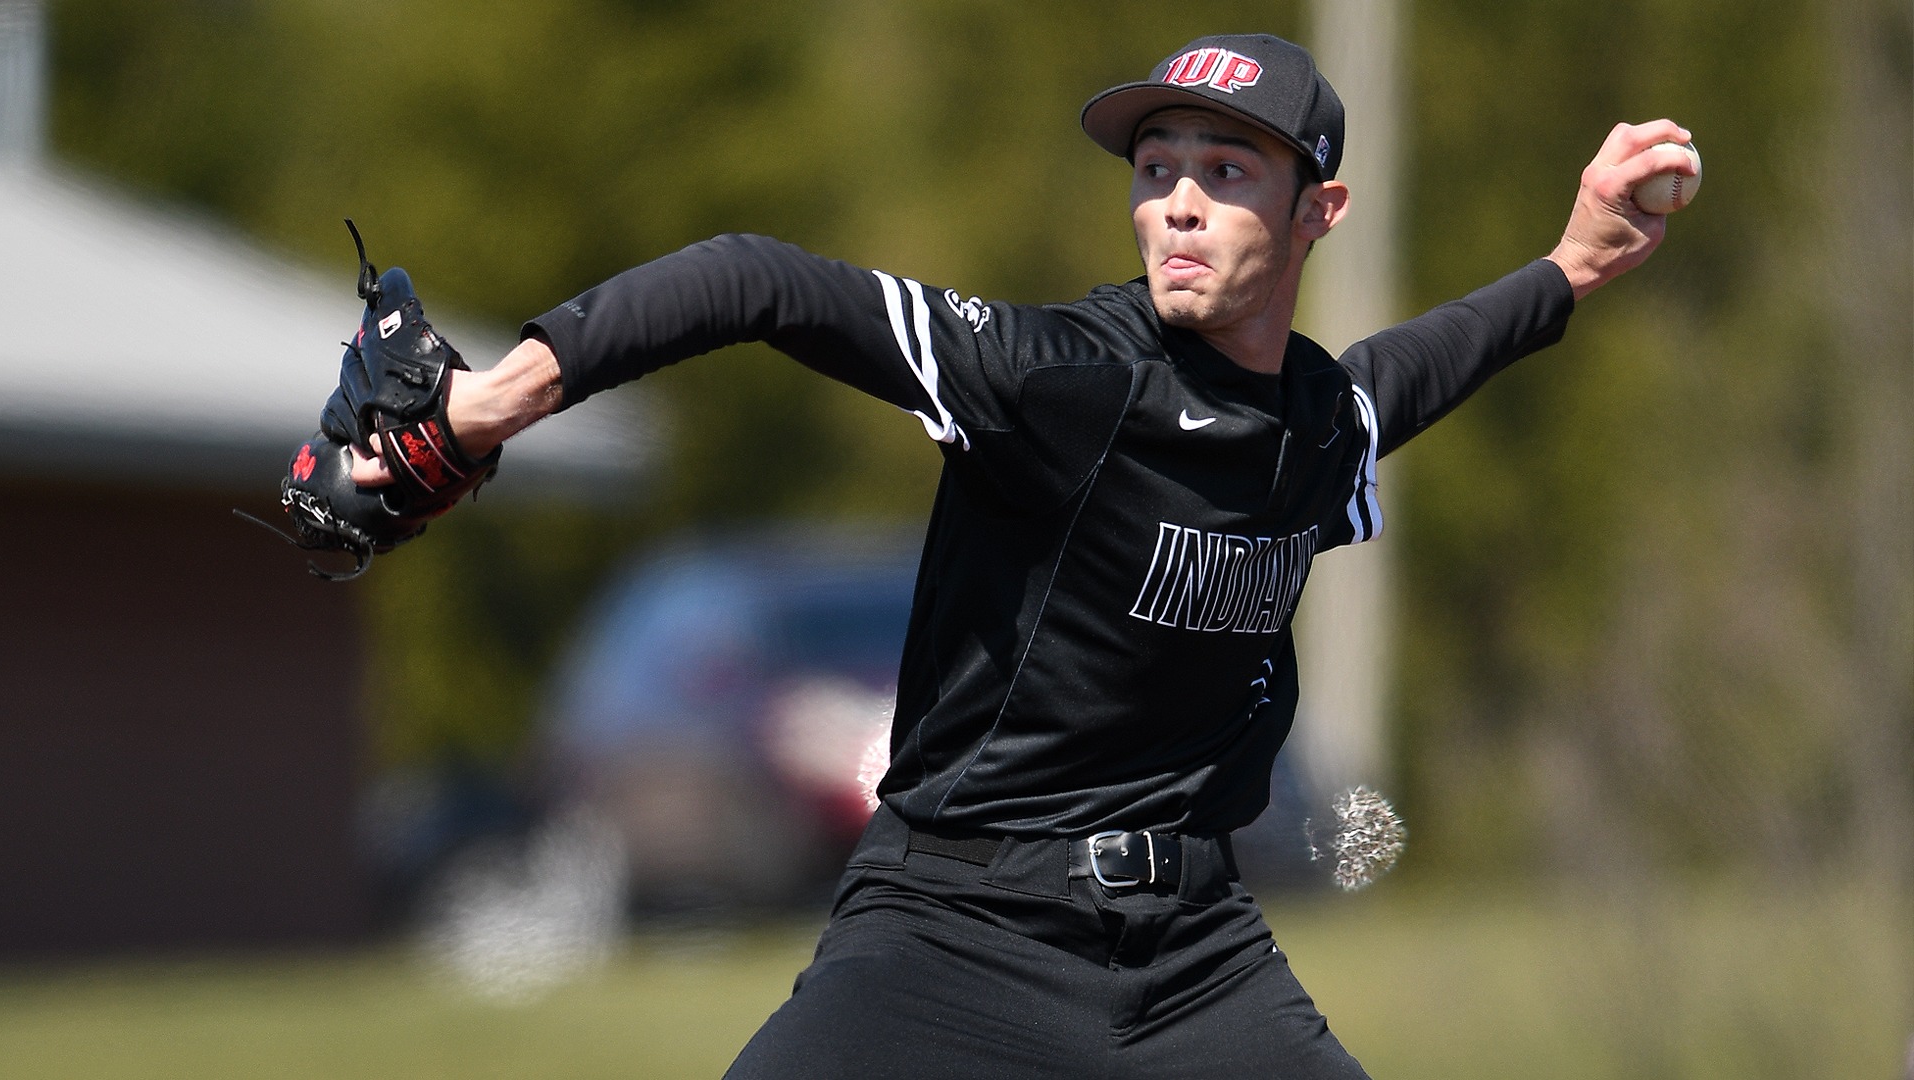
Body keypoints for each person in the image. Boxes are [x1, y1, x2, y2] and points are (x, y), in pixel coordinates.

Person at [352, 31, 1692, 1080]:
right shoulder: (1055, 382)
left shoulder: (1316, 424)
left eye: (1228, 175)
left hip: (1192, 959)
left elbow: (1427, 362)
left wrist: (1574, 263)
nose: (1177, 202)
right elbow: (759, 278)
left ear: (1316, 211)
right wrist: (481, 406)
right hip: (956, 930)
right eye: (1156, 166)